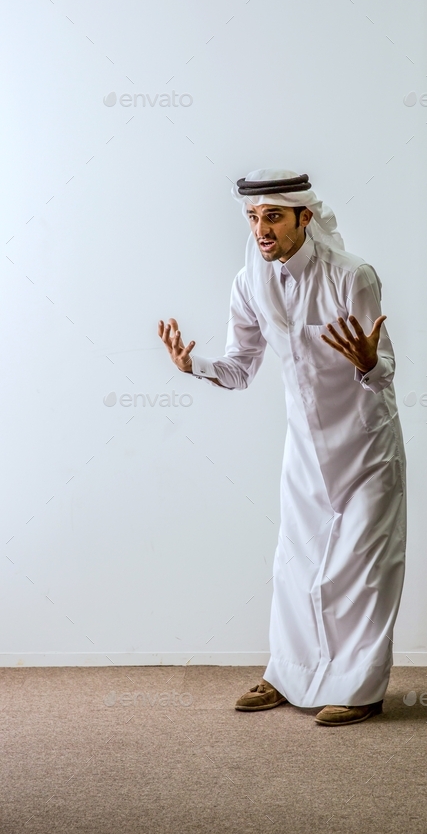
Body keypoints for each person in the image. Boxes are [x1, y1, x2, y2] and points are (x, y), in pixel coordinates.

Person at [158, 169, 406, 726]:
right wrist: (191, 365)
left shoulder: (352, 277)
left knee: (364, 568)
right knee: (296, 564)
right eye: (253, 218)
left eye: (273, 216)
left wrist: (367, 362)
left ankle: (360, 688)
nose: (261, 229)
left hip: (367, 447)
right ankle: (287, 676)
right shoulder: (250, 282)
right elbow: (239, 368)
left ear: (304, 218)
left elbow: (385, 369)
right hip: (304, 453)